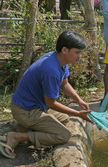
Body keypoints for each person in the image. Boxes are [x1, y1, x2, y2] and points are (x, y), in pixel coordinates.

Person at [0, 31, 94, 159]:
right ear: (65, 50)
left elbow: (64, 83)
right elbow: (51, 103)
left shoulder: (57, 58)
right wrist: (77, 114)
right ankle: (17, 136)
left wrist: (79, 100)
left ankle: (21, 126)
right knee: (63, 135)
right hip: (26, 110)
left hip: (33, 106)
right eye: (77, 52)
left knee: (64, 118)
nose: (80, 56)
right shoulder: (51, 71)